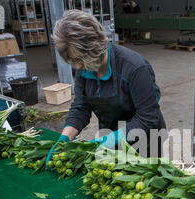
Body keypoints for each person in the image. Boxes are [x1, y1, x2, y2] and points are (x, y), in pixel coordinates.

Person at [50, 9, 166, 159]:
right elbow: (81, 107)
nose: (77, 67)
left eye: (79, 60)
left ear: (95, 48)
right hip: (110, 138)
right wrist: (64, 138)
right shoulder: (84, 68)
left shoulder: (135, 68)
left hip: (144, 141)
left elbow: (147, 117)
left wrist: (113, 139)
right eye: (73, 61)